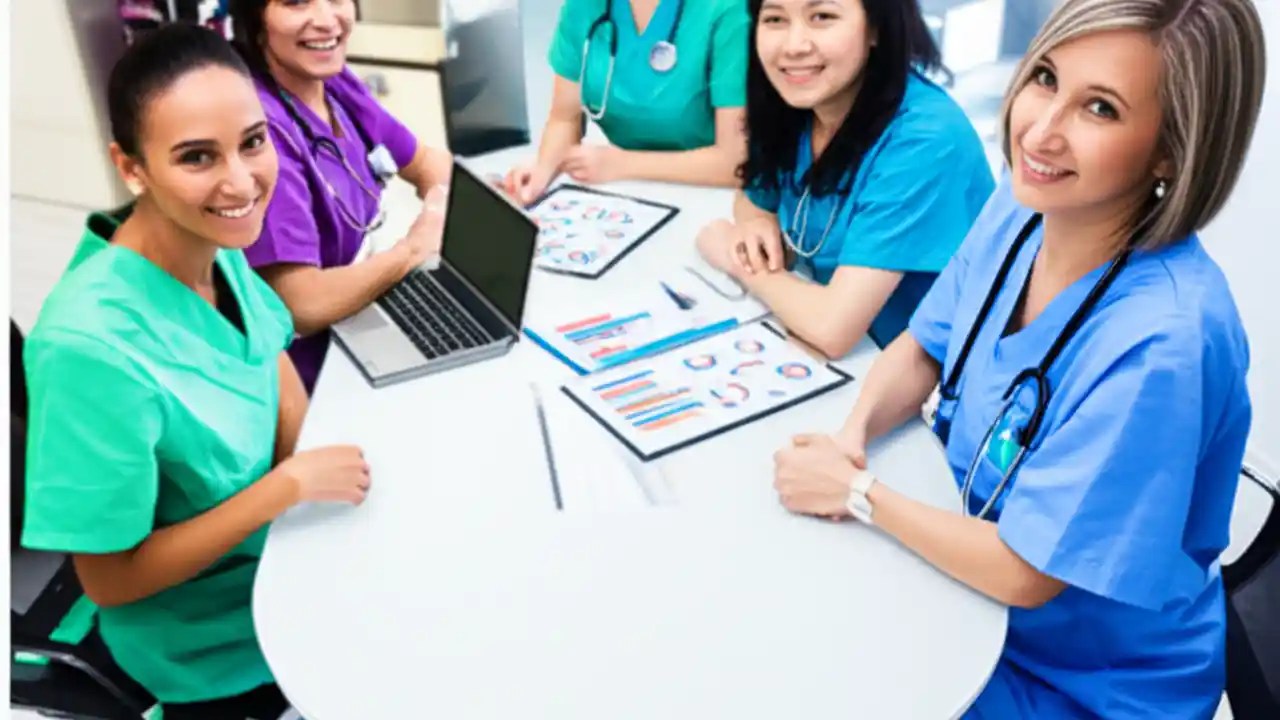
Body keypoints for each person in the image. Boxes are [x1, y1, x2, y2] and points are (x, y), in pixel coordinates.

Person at [771, 0, 1267, 717]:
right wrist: (853, 436)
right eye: (1045, 78)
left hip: (1079, 680)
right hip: (959, 589)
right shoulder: (1024, 202)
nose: (1040, 131)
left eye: (1100, 108)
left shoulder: (1163, 344)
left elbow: (1027, 573)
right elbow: (925, 346)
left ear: (1170, 149)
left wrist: (857, 493)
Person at [20, 25, 373, 719]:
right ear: (132, 168)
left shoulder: (210, 238)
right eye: (196, 157)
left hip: (291, 555)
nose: (241, 182)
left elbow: (268, 355)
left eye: (253, 142)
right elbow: (111, 578)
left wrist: (319, 488)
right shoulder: (89, 349)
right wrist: (286, 489)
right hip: (211, 644)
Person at [695, 0, 994, 359]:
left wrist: (735, 260)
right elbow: (754, 195)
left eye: (822, 16)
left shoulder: (926, 138)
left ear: (876, 27)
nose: (794, 45)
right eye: (775, 19)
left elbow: (831, 329)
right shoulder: (802, 99)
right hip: (847, 352)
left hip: (918, 373)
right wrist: (757, 222)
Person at [229, 0, 452, 393]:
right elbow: (302, 304)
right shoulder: (261, 133)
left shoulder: (333, 83)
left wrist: (452, 205)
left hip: (367, 314)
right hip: (316, 371)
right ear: (257, 20)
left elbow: (424, 162)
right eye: (296, 2)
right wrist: (411, 251)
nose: (326, 20)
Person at [503, 0, 751, 203]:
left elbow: (735, 162)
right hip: (626, 193)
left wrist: (621, 164)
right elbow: (565, 119)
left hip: (714, 196)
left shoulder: (727, 8)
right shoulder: (584, 5)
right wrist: (544, 169)